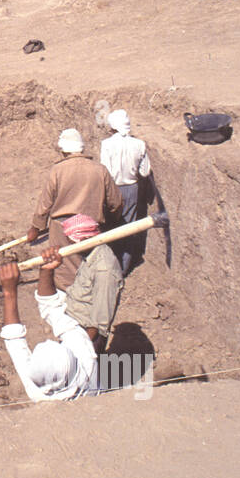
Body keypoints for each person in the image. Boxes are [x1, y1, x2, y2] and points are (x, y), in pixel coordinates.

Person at [25, 128, 123, 290]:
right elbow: (116, 202)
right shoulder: (100, 170)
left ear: (63, 151)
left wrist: (36, 227)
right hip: (91, 227)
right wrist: (111, 221)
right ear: (82, 149)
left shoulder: (57, 170)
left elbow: (45, 204)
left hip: (62, 228)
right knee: (89, 262)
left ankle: (70, 299)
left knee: (64, 268)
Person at [0, 251, 97, 402]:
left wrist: (9, 292)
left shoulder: (37, 393)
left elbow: (14, 340)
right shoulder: (87, 363)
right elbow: (53, 310)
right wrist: (46, 271)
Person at [55, 214, 124, 351]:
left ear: (85, 239)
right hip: (75, 326)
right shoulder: (92, 254)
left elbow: (98, 322)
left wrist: (81, 346)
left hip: (86, 335)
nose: (70, 245)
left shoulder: (104, 269)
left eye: (72, 242)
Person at [100, 109, 151, 274]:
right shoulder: (139, 144)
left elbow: (104, 172)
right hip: (131, 188)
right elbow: (144, 172)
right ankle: (122, 270)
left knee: (109, 227)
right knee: (128, 228)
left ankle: (109, 268)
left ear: (112, 126)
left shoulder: (106, 144)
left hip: (111, 189)